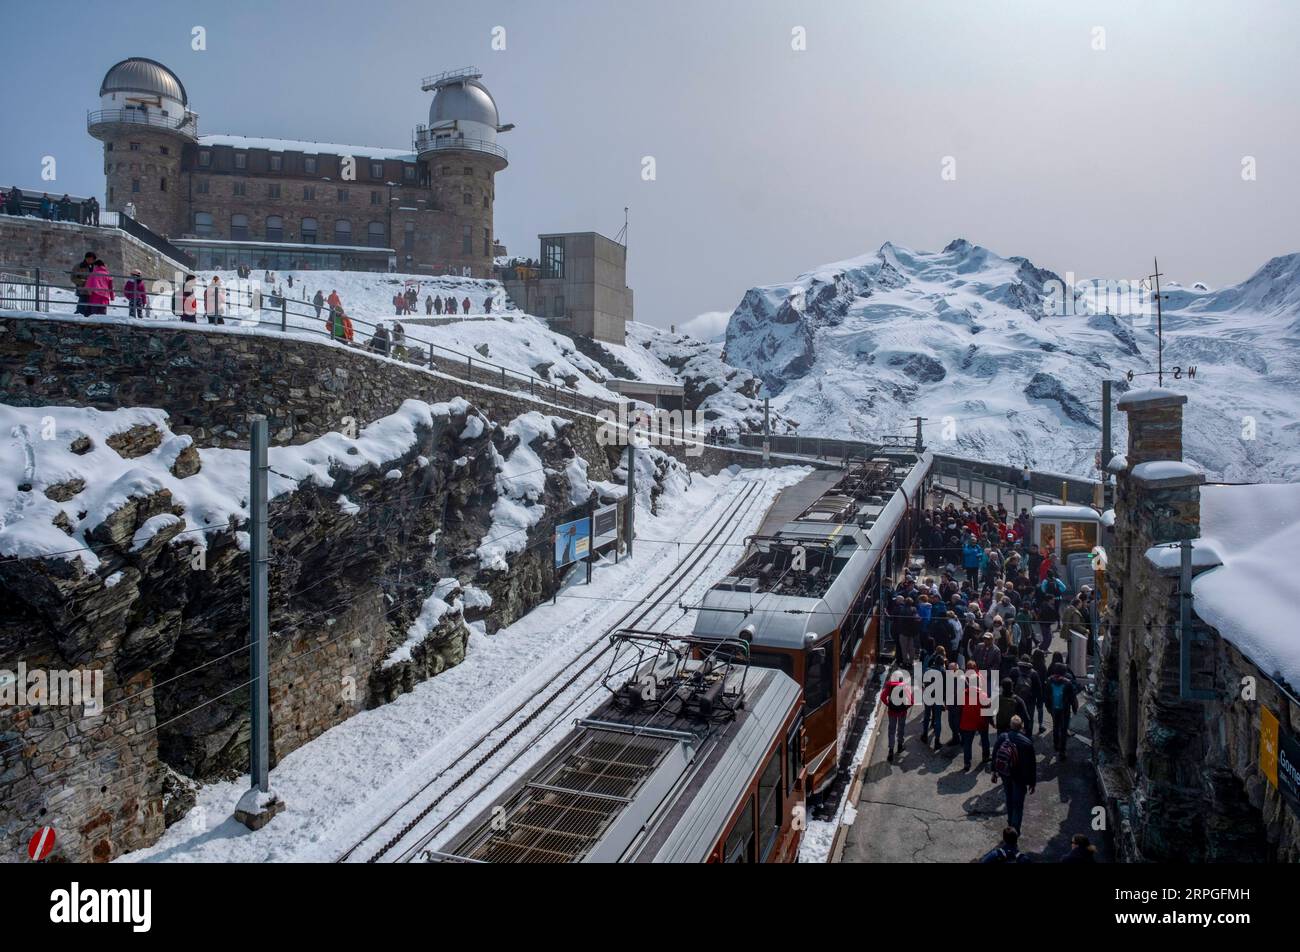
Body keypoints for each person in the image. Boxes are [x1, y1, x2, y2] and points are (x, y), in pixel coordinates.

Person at [991, 715, 1036, 831]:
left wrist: (994, 771)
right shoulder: (1027, 742)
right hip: (1020, 778)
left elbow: (995, 754)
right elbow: (1032, 765)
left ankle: (1010, 824)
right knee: (1018, 804)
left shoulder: (1003, 737)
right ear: (1021, 726)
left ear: (1010, 726)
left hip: (1005, 774)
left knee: (1009, 799)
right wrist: (1032, 782)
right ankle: (1015, 829)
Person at [959, 662, 990, 772]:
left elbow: (960, 706)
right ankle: (985, 756)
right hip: (981, 721)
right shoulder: (983, 694)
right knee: (985, 738)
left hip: (968, 721)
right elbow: (988, 708)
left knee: (967, 744)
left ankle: (967, 763)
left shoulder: (963, 693)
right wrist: (990, 721)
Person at [1045, 660, 1078, 756]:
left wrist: (1048, 707)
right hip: (1065, 709)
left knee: (1055, 726)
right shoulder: (1067, 683)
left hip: (1054, 709)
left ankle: (1056, 745)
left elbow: (1047, 696)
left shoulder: (1049, 681)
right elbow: (1072, 698)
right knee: (1063, 729)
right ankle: (1062, 751)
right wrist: (1075, 708)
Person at [880, 667, 913, 763]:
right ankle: (900, 746)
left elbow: (882, 697)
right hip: (902, 712)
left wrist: (888, 704)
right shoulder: (904, 686)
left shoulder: (889, 686)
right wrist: (906, 707)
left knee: (891, 731)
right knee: (901, 729)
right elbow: (911, 701)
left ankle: (890, 751)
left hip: (892, 712)